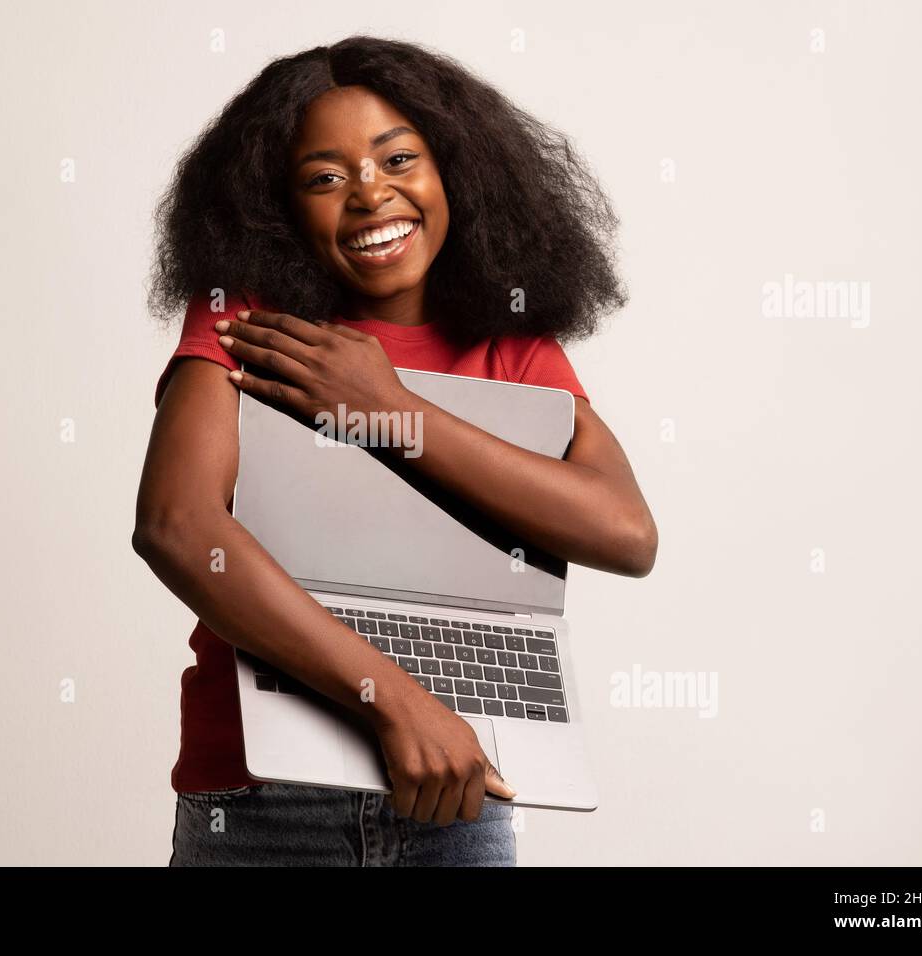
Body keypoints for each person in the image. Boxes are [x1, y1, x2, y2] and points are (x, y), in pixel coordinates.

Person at [132, 35, 657, 867]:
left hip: (461, 791)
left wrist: (387, 409)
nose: (371, 195)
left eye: (398, 158)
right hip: (266, 799)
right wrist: (397, 703)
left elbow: (626, 536)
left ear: (456, 171)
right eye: (325, 177)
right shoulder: (252, 322)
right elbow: (175, 525)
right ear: (278, 205)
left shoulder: (512, 347)